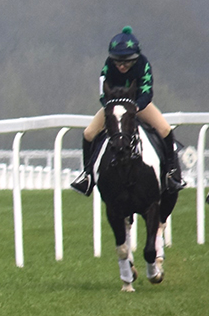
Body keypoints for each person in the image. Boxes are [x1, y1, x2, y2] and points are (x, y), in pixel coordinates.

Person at [70, 26, 184, 196]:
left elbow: (147, 91)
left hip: (139, 106)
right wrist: (112, 106)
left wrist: (135, 107)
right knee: (89, 133)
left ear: (135, 58)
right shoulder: (108, 65)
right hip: (114, 106)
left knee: (165, 130)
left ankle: (170, 173)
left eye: (127, 62)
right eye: (118, 62)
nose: (122, 66)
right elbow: (103, 93)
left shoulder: (143, 64)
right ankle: (87, 175)